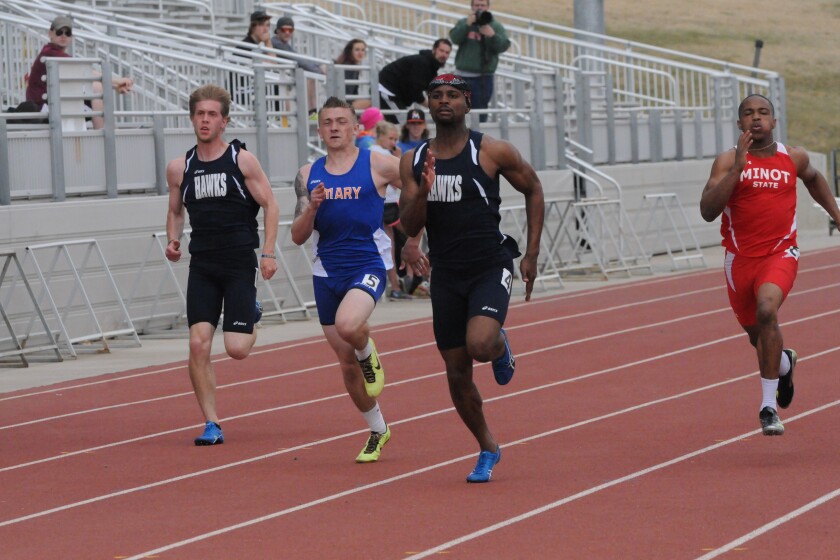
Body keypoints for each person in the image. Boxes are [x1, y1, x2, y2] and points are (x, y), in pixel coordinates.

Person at [399, 74, 544, 482]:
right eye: (436, 95)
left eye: (452, 95)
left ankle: (499, 346)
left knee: (480, 343)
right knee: (457, 371)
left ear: (467, 102)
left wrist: (530, 253)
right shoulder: (413, 160)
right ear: (428, 104)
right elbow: (409, 224)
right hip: (446, 272)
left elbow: (533, 189)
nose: (443, 101)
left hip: (489, 264)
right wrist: (423, 192)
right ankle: (487, 447)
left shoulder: (491, 150)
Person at [291, 97, 427, 462]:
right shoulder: (307, 174)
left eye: (341, 121)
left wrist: (412, 239)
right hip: (326, 273)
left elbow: (419, 189)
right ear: (319, 130)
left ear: (355, 128)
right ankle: (378, 429)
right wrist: (314, 207)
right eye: (327, 122)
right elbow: (298, 235)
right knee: (345, 364)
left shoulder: (379, 164)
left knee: (350, 325)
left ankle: (369, 352)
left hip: (367, 264)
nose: (334, 127)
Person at [700, 93, 840, 436]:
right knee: (759, 338)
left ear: (774, 121)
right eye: (748, 114)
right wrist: (737, 168)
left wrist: (837, 215)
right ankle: (783, 363)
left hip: (780, 254)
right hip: (739, 261)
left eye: (763, 113)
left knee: (767, 311)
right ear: (739, 124)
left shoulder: (792, 157)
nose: (756, 118)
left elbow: (813, 178)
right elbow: (707, 211)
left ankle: (768, 408)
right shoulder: (725, 162)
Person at [164, 84, 279, 446]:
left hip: (238, 262)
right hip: (203, 265)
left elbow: (271, 205)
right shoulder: (180, 167)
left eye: (212, 114)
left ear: (224, 121)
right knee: (198, 344)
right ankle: (211, 422)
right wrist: (173, 239)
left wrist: (269, 252)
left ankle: (251, 313)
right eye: (200, 114)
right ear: (192, 118)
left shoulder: (241, 160)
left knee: (237, 349)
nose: (205, 120)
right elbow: (174, 210)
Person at [25, 15, 133, 129]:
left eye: (68, 33)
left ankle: (108, 130)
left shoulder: (54, 53)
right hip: (42, 107)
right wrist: (116, 82)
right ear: (50, 34)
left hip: (52, 102)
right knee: (96, 87)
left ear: (71, 37)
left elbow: (84, 72)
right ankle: (104, 133)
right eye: (59, 32)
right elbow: (84, 72)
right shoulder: (50, 52)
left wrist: (115, 84)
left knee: (95, 87)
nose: (63, 36)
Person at [369, 120, 412, 300]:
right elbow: (403, 177)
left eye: (396, 139)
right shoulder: (382, 154)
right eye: (391, 138)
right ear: (380, 137)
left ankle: (398, 283)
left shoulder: (371, 152)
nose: (394, 142)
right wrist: (400, 157)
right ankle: (407, 277)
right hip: (388, 204)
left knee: (389, 246)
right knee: (410, 234)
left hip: (385, 203)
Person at [448, 0, 510, 122]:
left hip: (483, 78)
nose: (479, 8)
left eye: (483, 5)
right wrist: (467, 26)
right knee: (458, 111)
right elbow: (454, 38)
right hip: (462, 76)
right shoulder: (464, 22)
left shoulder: (495, 26)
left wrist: (492, 36)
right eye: (477, 5)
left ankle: (478, 140)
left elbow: (503, 46)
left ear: (488, 7)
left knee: (480, 114)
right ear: (471, 7)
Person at [377, 39, 452, 124]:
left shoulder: (431, 66)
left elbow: (431, 89)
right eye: (441, 50)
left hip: (393, 93)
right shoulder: (422, 63)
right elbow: (415, 92)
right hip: (387, 90)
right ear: (434, 50)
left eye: (447, 53)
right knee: (403, 123)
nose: (444, 55)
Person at [270, 15, 323, 113]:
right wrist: (318, 69)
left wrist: (317, 66)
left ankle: (312, 111)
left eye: (290, 30)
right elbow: (297, 59)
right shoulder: (276, 43)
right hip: (275, 81)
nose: (287, 33)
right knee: (311, 74)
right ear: (277, 31)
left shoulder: (282, 43)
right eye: (284, 29)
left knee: (311, 75)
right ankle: (312, 111)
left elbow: (298, 57)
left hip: (279, 80)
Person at [335, 39, 371, 110]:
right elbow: (346, 92)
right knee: (373, 101)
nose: (360, 53)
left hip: (346, 102)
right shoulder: (347, 67)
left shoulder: (353, 66)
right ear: (350, 52)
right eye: (357, 50)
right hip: (343, 104)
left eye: (363, 50)